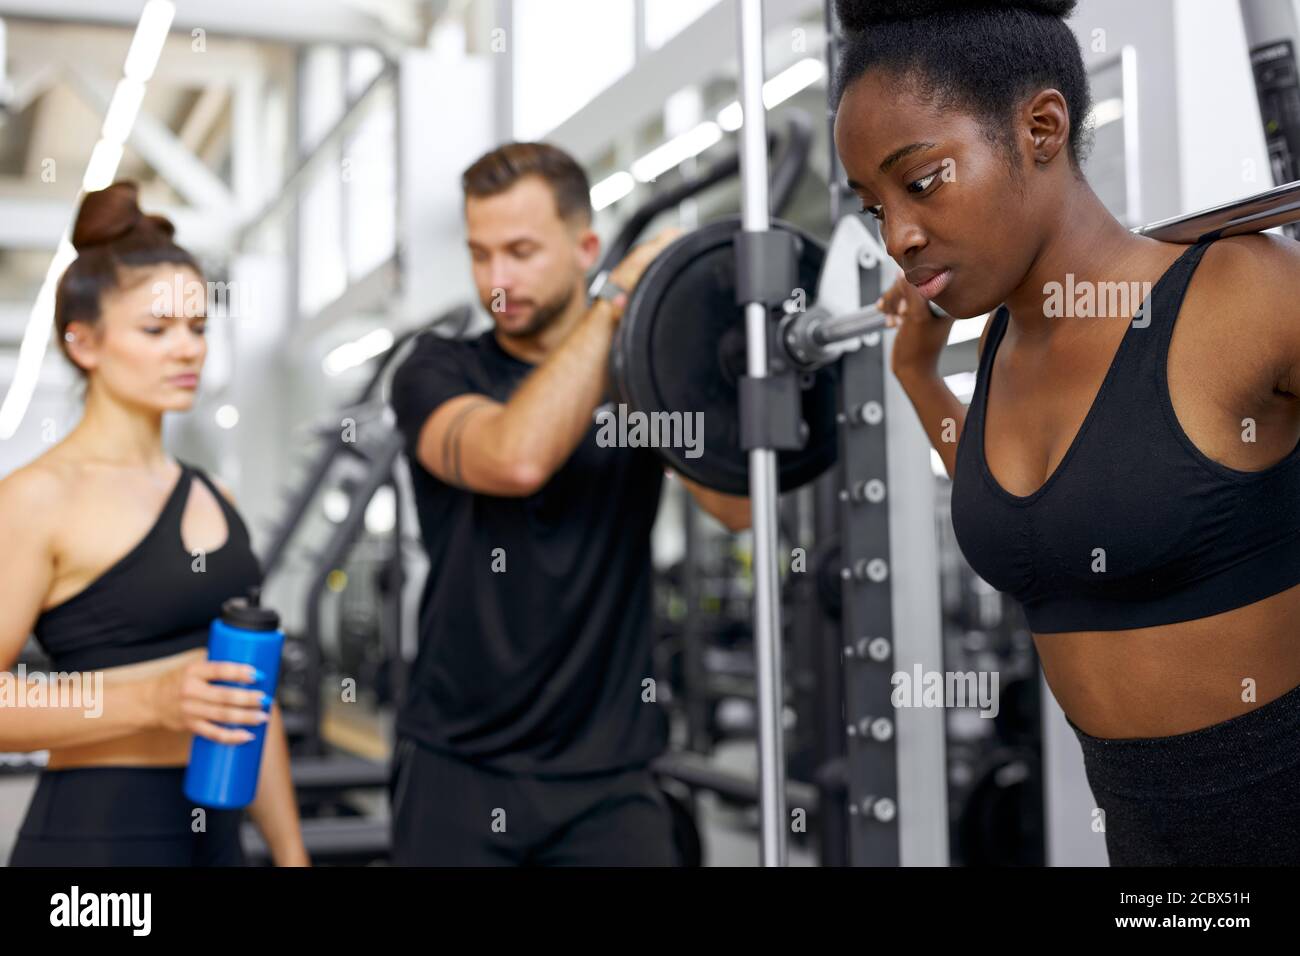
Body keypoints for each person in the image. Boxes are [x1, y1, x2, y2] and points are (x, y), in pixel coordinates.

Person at [834, 0, 1300, 865]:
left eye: (922, 180)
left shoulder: (1244, 292)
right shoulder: (1007, 342)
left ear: (1041, 127)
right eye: (873, 207)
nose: (898, 235)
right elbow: (1041, 515)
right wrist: (915, 374)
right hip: (1141, 844)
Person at [388, 142, 751, 865]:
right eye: (481, 255)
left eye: (521, 252)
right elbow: (514, 457)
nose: (498, 280)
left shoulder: (639, 378)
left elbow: (739, 510)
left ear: (584, 246)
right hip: (459, 770)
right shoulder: (436, 368)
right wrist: (617, 304)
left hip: (609, 780)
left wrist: (672, 351)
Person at [0, 181, 307, 866]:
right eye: (156, 329)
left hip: (216, 840)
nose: (187, 350)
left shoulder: (211, 494)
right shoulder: (35, 499)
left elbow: (250, 702)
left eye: (197, 328)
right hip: (97, 847)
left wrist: (291, 856)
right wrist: (152, 701)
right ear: (84, 342)